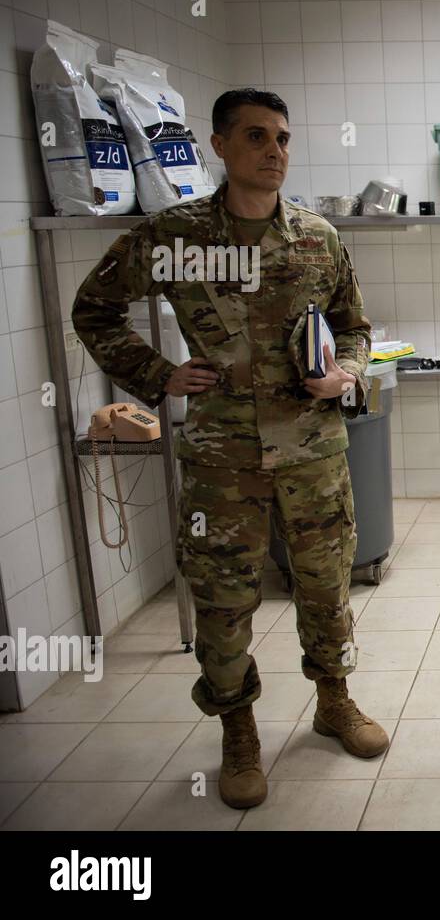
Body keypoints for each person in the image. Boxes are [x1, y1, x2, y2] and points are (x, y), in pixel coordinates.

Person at [72, 89, 387, 810]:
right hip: (222, 460)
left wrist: (346, 373)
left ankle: (334, 701)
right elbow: (94, 307)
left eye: (281, 137)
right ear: (219, 146)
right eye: (255, 137)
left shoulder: (316, 237)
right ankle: (237, 729)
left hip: (312, 453)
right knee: (221, 600)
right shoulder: (173, 237)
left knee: (327, 588)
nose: (273, 151)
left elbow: (356, 324)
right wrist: (157, 374)